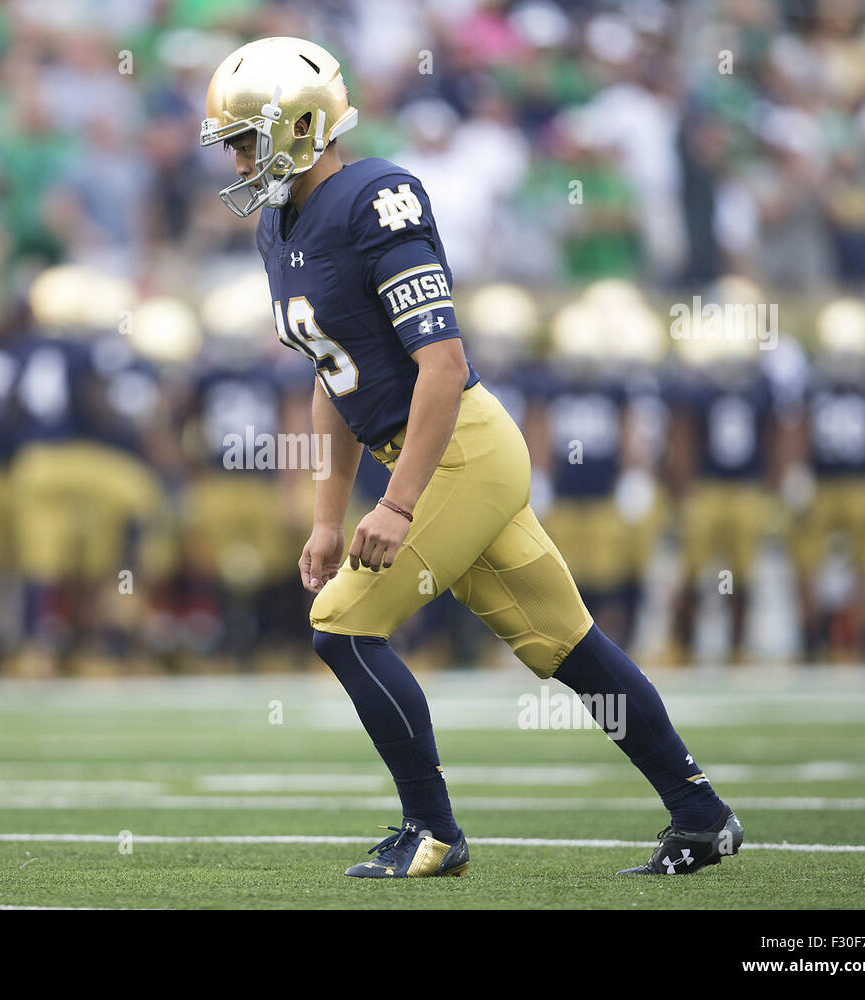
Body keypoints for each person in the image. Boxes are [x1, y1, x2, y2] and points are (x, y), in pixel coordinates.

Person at [199, 36, 743, 878]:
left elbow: (442, 364)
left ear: (303, 125)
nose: (236, 157)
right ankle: (701, 814)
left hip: (461, 447)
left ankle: (433, 831)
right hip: (422, 448)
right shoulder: (280, 226)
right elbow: (328, 378)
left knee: (342, 625)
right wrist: (324, 514)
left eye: (245, 137)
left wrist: (398, 502)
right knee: (566, 645)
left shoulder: (377, 197)